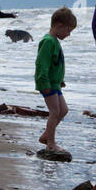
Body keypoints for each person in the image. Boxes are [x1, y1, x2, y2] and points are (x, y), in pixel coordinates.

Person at [36, 8, 77, 152]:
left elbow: (56, 63)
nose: (69, 34)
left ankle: (46, 136)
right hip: (47, 83)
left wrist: (60, 80)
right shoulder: (48, 42)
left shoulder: (54, 41)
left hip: (55, 83)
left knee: (63, 110)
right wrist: (44, 82)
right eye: (68, 30)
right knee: (54, 112)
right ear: (59, 25)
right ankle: (51, 143)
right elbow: (42, 64)